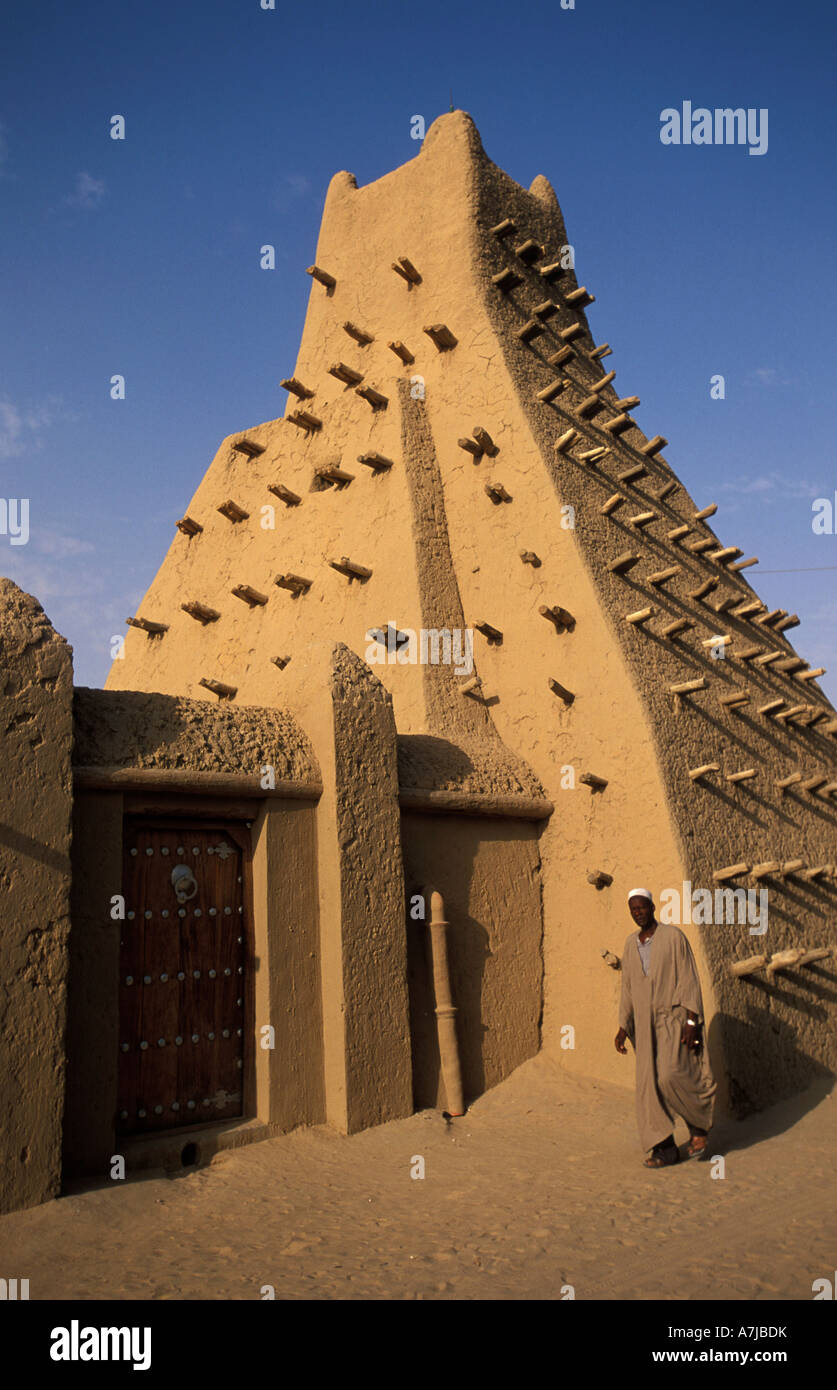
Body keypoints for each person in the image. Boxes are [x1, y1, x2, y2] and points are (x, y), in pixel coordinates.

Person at [614, 888, 716, 1168]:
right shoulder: (629, 943)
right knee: (648, 1085)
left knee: (671, 1075)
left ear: (652, 907)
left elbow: (689, 979)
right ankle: (665, 1148)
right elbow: (627, 988)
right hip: (645, 1026)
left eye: (642, 907)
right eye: (633, 909)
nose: (638, 913)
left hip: (673, 1019)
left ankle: (698, 1127)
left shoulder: (673, 937)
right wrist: (623, 1025)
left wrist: (692, 1021)